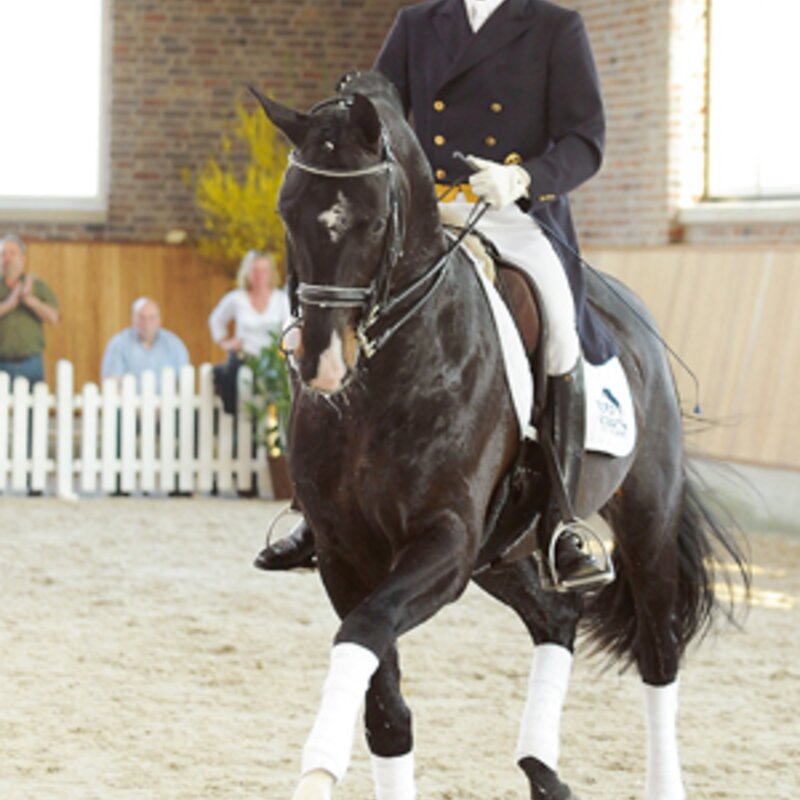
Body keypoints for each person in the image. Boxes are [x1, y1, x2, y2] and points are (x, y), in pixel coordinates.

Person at [258, 0, 615, 588]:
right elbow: (376, 112)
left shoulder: (555, 27)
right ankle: (314, 510)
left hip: (510, 212)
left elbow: (586, 141)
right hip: (419, 213)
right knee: (322, 315)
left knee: (557, 335)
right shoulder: (418, 23)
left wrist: (522, 178)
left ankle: (561, 525)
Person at [0, 234, 60, 384]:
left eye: (12, 253)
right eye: (3, 254)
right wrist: (10, 303)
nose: (7, 259)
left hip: (31, 362)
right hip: (2, 361)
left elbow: (54, 317)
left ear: (22, 257)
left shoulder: (37, 285)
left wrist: (30, 301)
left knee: (35, 405)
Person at [101, 297, 190, 391]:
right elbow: (111, 383)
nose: (147, 323)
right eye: (142, 318)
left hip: (169, 403)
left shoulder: (174, 344)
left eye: (152, 318)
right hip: (129, 404)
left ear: (159, 319)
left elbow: (184, 381)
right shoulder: (119, 344)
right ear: (133, 319)